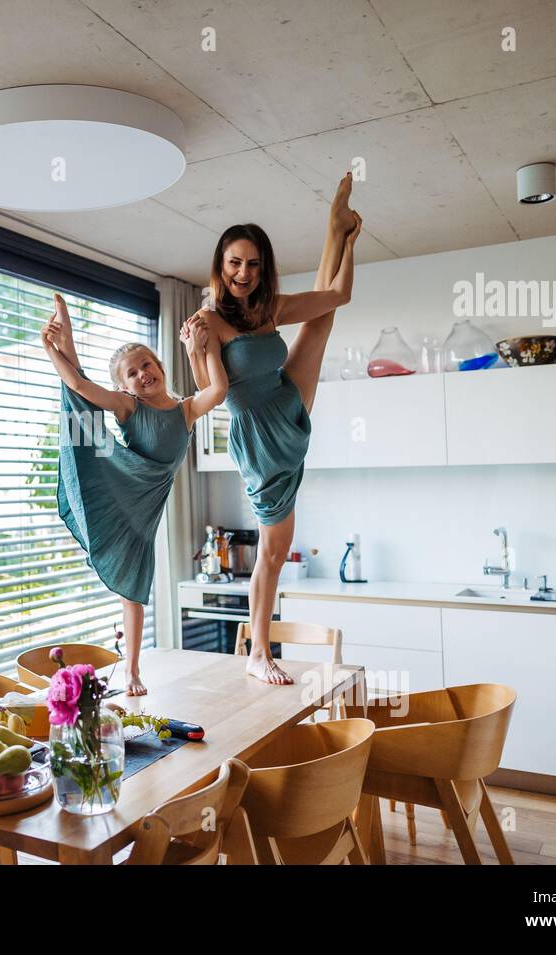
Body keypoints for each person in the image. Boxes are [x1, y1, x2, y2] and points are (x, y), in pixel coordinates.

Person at [182, 172, 361, 684]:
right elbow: (211, 392)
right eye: (235, 262)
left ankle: (335, 220)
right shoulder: (209, 320)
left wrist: (347, 240)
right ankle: (258, 653)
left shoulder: (269, 309)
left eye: (254, 264)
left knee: (321, 319)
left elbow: (338, 296)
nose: (244, 272)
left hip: (286, 400)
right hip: (258, 436)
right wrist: (196, 350)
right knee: (274, 552)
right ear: (221, 265)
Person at [42, 294, 228, 695]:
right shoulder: (128, 407)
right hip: (120, 486)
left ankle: (131, 668)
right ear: (123, 386)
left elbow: (219, 389)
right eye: (131, 372)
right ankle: (131, 671)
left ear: (160, 367)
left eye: (147, 364)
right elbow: (78, 383)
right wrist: (55, 345)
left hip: (145, 507)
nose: (142, 373)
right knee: (81, 406)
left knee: (134, 592)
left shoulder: (186, 410)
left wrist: (206, 343)